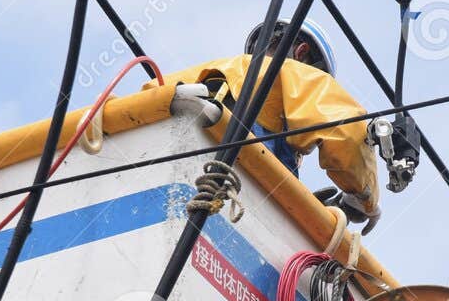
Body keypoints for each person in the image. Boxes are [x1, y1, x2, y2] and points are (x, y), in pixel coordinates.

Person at [146, 20, 381, 228]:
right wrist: (363, 200)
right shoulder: (290, 73)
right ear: (301, 52)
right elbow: (344, 131)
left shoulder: (192, 76)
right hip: (231, 196)